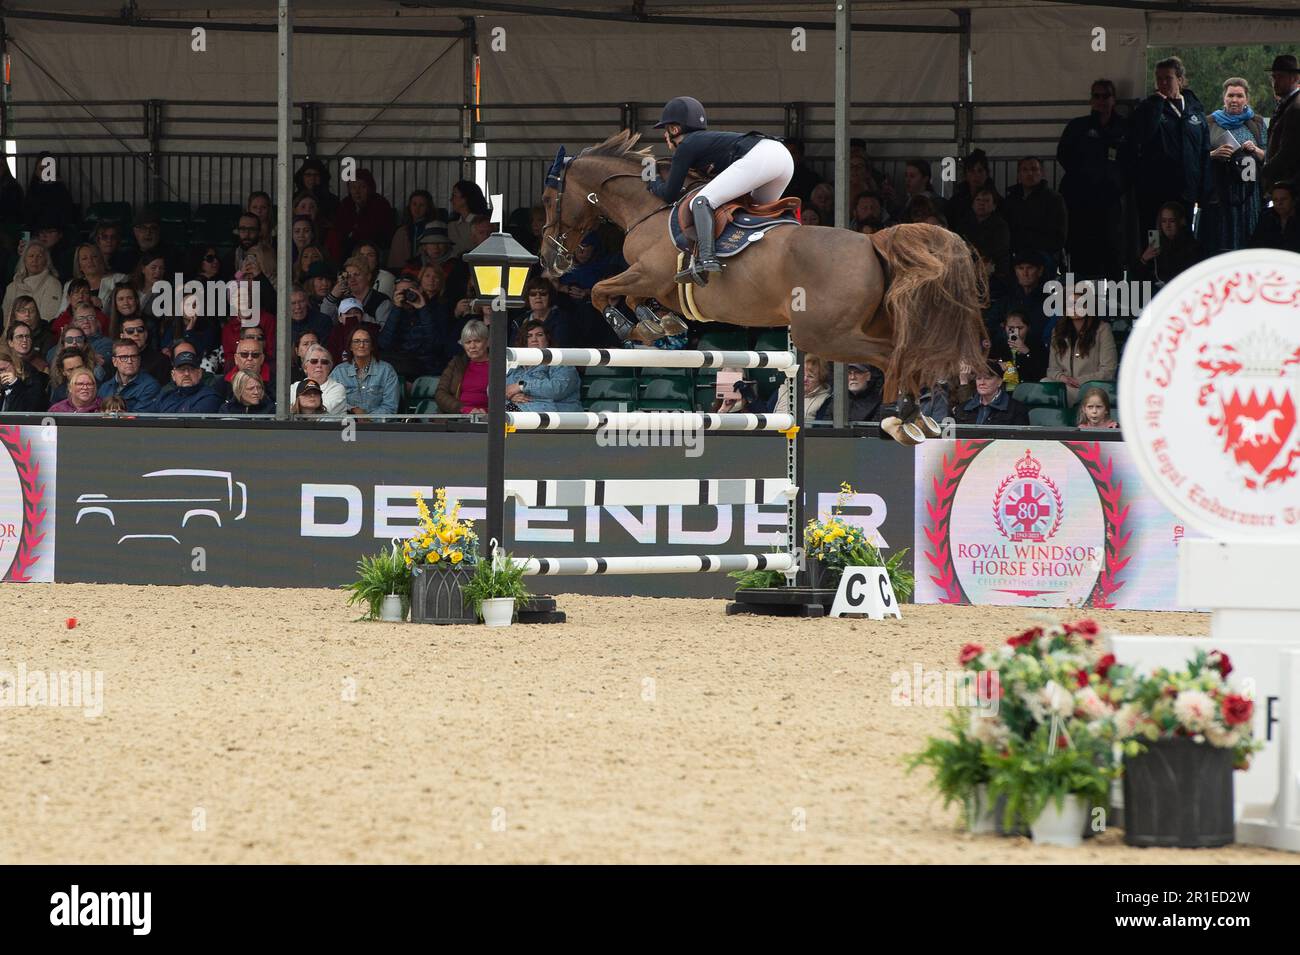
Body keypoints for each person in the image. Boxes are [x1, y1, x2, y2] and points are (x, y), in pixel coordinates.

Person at [644, 96, 794, 285]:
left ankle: (706, 259)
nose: (665, 137)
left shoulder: (686, 145)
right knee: (755, 212)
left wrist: (652, 181)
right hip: (782, 158)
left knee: (700, 201)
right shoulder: (705, 142)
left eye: (665, 131)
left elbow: (669, 194)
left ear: (675, 129)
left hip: (762, 156)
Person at [1131, 57, 1212, 249]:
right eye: (1159, 79)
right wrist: (1158, 104)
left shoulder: (1195, 110)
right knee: (1155, 234)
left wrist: (1204, 189)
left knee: (1183, 235)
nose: (1163, 83)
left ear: (1181, 80)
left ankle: (1182, 272)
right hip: (1156, 187)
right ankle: (1154, 272)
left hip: (1186, 187)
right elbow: (1143, 136)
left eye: (1168, 78)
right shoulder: (1148, 107)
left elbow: (1204, 151)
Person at [1057, 78, 1131, 279]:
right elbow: (1063, 155)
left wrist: (1117, 184)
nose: (1101, 100)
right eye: (1096, 96)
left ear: (1114, 99)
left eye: (1106, 95)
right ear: (1091, 100)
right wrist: (1086, 177)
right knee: (1082, 254)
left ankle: (1115, 307)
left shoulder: (1124, 128)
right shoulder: (1077, 127)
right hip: (1081, 202)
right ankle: (1084, 307)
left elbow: (1131, 163)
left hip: (1110, 202)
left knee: (1113, 253)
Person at [1201, 77, 1268, 254]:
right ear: (1224, 97)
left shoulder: (1257, 123)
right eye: (1230, 95)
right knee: (1222, 241)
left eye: (1239, 96)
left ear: (1246, 99)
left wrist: (1255, 150)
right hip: (1221, 195)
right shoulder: (1209, 123)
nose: (1234, 100)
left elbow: (1268, 155)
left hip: (1250, 196)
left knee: (1250, 242)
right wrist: (1214, 154)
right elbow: (1198, 157)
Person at [1045, 281, 1118, 405]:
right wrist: (1062, 378)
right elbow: (1052, 369)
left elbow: (1108, 371)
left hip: (1092, 388)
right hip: (1063, 385)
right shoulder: (1057, 331)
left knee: (1052, 393)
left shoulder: (1102, 329)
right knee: (1044, 384)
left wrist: (1078, 381)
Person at [1000, 157, 1068, 265]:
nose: (1030, 173)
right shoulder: (1010, 200)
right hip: (1015, 254)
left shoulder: (1054, 199)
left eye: (1034, 169)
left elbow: (1059, 236)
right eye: (1025, 170)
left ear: (1042, 173)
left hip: (1044, 256)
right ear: (1019, 175)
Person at [504, 320, 581, 412]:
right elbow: (492, 389)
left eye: (539, 335)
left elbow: (558, 389)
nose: (534, 339)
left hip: (555, 415)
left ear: (548, 338)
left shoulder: (560, 361)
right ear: (523, 341)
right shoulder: (516, 364)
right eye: (529, 336)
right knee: (492, 417)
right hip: (520, 412)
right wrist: (510, 395)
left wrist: (522, 386)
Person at [378, 276, 445, 379]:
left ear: (419, 291)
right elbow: (384, 343)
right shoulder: (394, 312)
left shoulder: (433, 310)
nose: (405, 296)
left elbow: (435, 345)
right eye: (400, 292)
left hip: (423, 369)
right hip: (399, 368)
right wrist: (396, 309)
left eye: (408, 291)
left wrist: (422, 308)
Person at [329, 325, 398, 417]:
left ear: (372, 346)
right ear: (350, 347)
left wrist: (367, 418)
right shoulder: (339, 372)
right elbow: (331, 402)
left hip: (378, 427)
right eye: (356, 341)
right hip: (347, 426)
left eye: (366, 341)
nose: (361, 345)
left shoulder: (387, 371)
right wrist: (352, 410)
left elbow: (390, 407)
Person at [1134, 201, 1202, 285]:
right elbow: (1137, 279)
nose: (1167, 225)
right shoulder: (1158, 245)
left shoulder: (1191, 247)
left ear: (1181, 221)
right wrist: (1144, 259)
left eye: (1172, 221)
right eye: (1164, 221)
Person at [335, 168, 394, 255]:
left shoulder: (380, 204)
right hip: (349, 252)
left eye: (362, 187)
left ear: (370, 188)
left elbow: (379, 234)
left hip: (375, 250)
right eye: (353, 187)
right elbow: (340, 231)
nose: (357, 191)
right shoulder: (346, 204)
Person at [1263, 54, 1300, 194]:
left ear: (1294, 78)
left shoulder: (1296, 108)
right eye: (1274, 77)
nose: (1275, 82)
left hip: (1290, 185)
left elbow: (1288, 152)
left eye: (1280, 77)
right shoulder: (1287, 105)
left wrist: (1266, 171)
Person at [435, 320, 490, 414]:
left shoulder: (500, 364)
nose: (472, 346)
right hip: (458, 417)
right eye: (468, 342)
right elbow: (440, 394)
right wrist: (464, 409)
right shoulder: (457, 363)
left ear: (487, 342)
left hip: (491, 419)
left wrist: (488, 412)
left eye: (477, 341)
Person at [954, 360, 1031, 425]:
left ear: (999, 382)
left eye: (987, 378)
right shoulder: (962, 408)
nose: (982, 382)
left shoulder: (1017, 409)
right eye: (978, 378)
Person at [3, 241, 62, 323]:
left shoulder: (53, 284)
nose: (35, 260)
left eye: (39, 256)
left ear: (46, 261)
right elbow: (6, 318)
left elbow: (48, 317)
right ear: (24, 260)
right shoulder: (11, 287)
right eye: (31, 256)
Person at [98, 337, 161, 412]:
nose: (129, 361)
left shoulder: (150, 386)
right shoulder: (104, 388)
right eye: (124, 357)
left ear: (139, 360)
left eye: (133, 356)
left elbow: (139, 418)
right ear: (114, 361)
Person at [966, 184, 1011, 286]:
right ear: (972, 204)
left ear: (994, 206)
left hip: (995, 272)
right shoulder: (964, 223)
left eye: (986, 201)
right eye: (978, 200)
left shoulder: (1000, 226)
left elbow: (999, 250)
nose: (981, 204)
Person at [993, 309, 1049, 385]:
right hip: (1003, 388)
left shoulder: (1037, 344)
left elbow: (1042, 372)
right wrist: (998, 365)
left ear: (1028, 327)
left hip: (1028, 388)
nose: (1015, 331)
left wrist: (1027, 352)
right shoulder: (998, 343)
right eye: (1010, 328)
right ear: (1005, 327)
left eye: (1019, 328)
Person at [157, 349, 222, 414]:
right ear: (173, 375)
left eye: (191, 369)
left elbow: (191, 421)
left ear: (199, 373)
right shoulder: (165, 397)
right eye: (181, 370)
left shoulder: (210, 397)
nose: (186, 373)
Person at [290, 344, 348, 414]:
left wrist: (297, 408)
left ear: (329, 368)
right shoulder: (294, 387)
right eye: (314, 361)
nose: (319, 365)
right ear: (305, 367)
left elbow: (321, 413)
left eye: (324, 362)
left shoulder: (337, 388)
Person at [388, 189, 436, 270]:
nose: (417, 208)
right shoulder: (401, 232)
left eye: (421, 205)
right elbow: (394, 261)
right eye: (414, 204)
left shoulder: (433, 229)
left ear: (428, 208)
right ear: (409, 206)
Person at [1249, 180, 1300, 252]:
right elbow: (1255, 244)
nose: (1279, 203)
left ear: (1294, 200)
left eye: (1283, 199)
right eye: (1275, 200)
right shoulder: (1267, 217)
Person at [0, 340, 48, 411]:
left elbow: (28, 411)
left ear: (15, 364)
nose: (1, 375)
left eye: (2, 369)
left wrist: (15, 385)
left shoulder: (32, 381)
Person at [447, 181, 491, 257]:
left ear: (465, 198)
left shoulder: (484, 225)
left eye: (454, 195)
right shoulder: (451, 225)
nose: (451, 199)